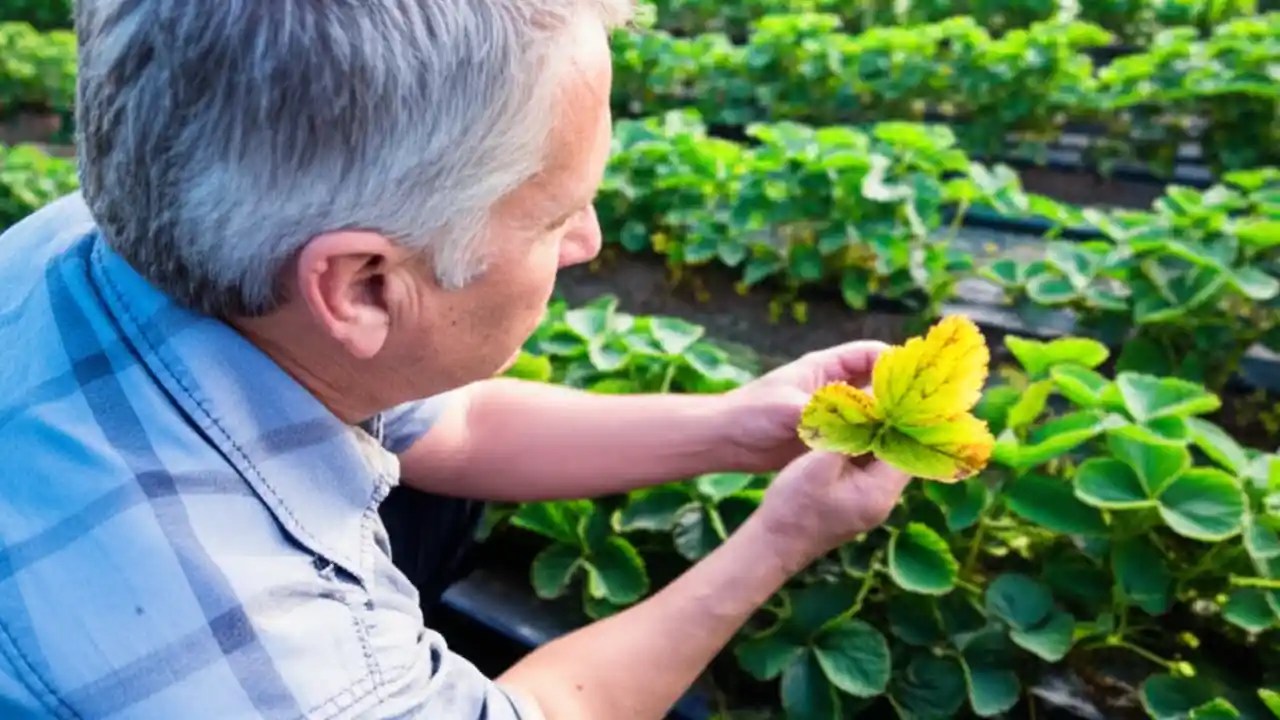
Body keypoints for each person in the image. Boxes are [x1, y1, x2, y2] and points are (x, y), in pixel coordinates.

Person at [0, 2, 912, 718]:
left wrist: (736, 428)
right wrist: (781, 539)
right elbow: (538, 710)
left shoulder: (127, 223)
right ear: (360, 287)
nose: (590, 240)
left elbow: (454, 421)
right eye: (557, 216)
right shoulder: (281, 671)